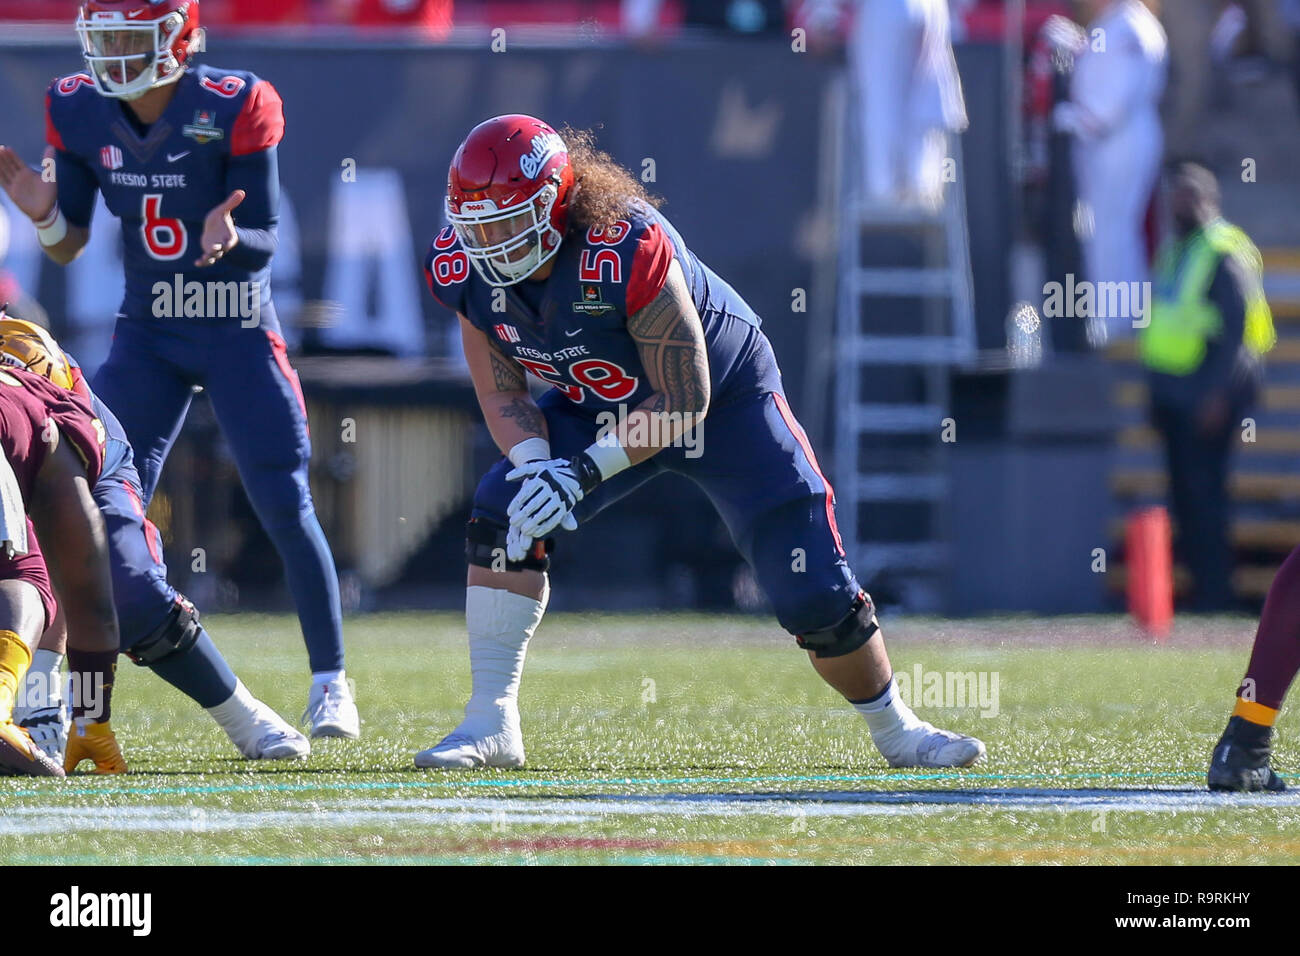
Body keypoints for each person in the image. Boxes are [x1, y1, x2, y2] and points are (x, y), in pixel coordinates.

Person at [416, 115, 985, 771]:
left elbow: (685, 398)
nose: (489, 243)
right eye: (476, 225)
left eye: (506, 222)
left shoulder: (623, 245)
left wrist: (582, 472)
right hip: (600, 403)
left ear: (555, 202)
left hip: (724, 402)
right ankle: (490, 723)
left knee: (813, 587)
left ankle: (898, 731)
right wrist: (540, 464)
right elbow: (503, 391)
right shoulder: (464, 269)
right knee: (503, 508)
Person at [0, 0, 358, 738]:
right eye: (107, 41)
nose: (117, 57)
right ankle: (59, 696)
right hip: (150, 335)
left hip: (236, 329)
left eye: (134, 39)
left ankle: (331, 682)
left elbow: (262, 239)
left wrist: (230, 236)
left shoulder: (234, 102)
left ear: (181, 38)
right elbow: (68, 242)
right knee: (87, 510)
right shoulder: (80, 107)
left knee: (283, 499)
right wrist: (43, 214)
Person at [0, 313, 310, 767]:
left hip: (81, 450)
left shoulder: (29, 426)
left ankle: (241, 713)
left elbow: (70, 574)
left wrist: (91, 715)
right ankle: (35, 706)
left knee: (126, 586)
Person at [1140, 163, 1275, 613]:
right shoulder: (1178, 250)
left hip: (1209, 394)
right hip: (1179, 394)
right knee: (1186, 498)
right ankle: (1203, 594)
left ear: (1210, 200)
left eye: (1190, 197)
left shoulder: (1221, 249)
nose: (1181, 206)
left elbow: (1237, 330)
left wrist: (1218, 394)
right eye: (1176, 197)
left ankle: (1217, 596)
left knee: (1206, 496)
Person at [0, 353, 122, 776]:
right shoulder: (49, 416)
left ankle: (36, 710)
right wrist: (92, 719)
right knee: (28, 575)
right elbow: (89, 602)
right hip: (18, 423)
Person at [1054, 0, 1166, 345]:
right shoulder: (1118, 22)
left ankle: (1114, 324)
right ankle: (1122, 320)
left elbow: (1109, 105)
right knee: (1115, 231)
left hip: (1118, 142)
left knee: (1109, 232)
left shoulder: (1127, 27)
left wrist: (1069, 117)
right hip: (1119, 139)